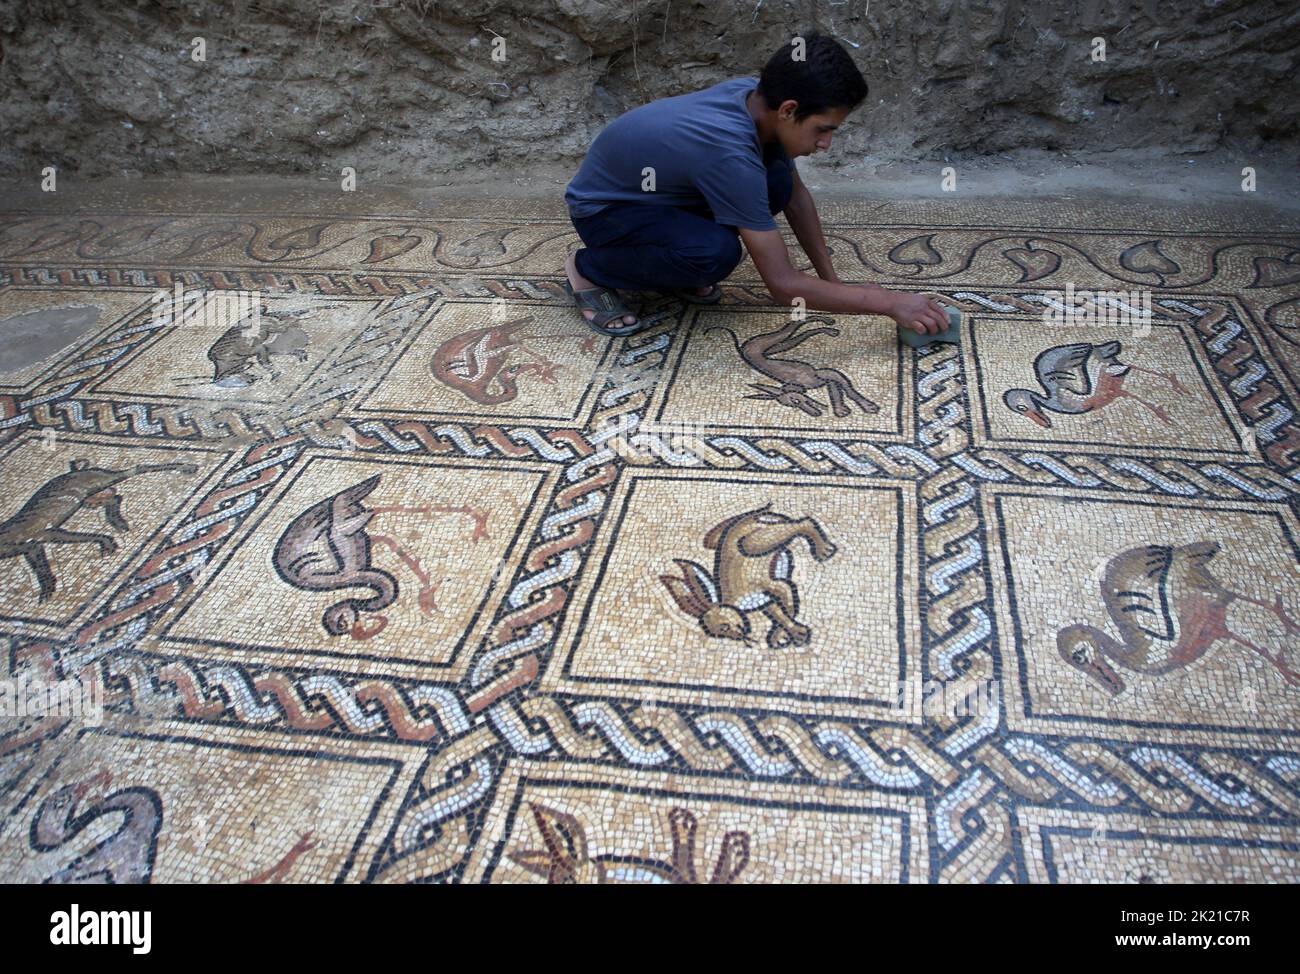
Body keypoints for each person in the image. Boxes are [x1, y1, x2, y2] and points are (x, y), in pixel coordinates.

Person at [563, 31, 949, 338]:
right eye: (823, 129)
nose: (826, 143)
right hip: (606, 212)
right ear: (789, 111)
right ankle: (587, 269)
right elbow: (783, 287)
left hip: (662, 195)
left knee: (778, 180)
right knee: (713, 256)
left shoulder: (759, 98)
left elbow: (796, 197)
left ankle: (671, 265)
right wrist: (887, 303)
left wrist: (833, 282)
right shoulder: (728, 152)